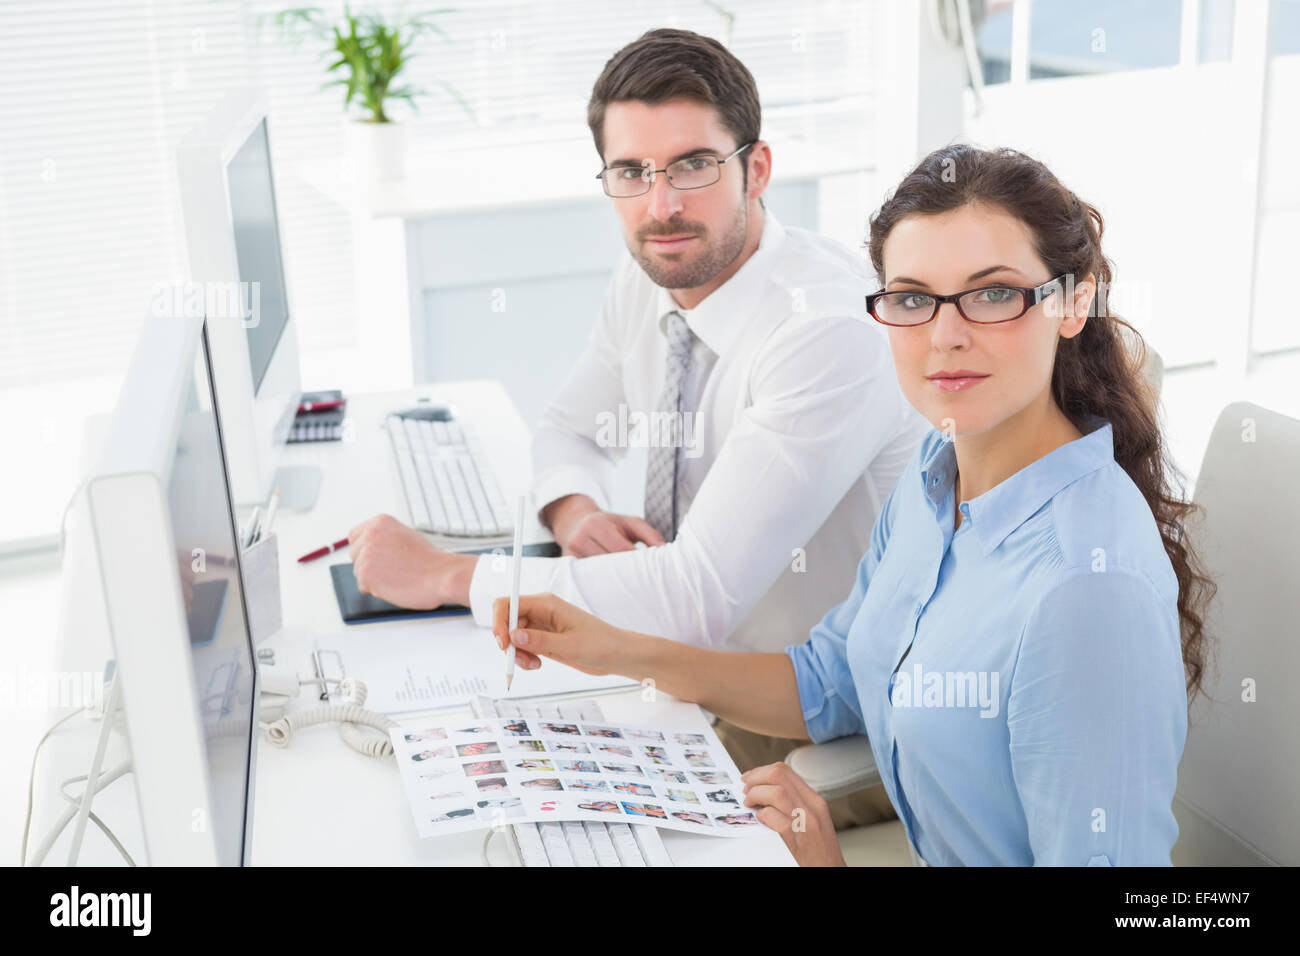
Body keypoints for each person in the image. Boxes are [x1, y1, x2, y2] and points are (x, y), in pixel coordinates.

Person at [487, 145, 1215, 866]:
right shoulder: (938, 475)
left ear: (1072, 302)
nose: (946, 336)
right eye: (912, 299)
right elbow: (828, 682)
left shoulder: (1085, 592)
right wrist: (608, 646)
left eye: (994, 293)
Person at [346, 28, 925, 828]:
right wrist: (576, 513)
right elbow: (565, 432)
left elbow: (694, 596)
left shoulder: (823, 329)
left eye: (693, 165)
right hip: (686, 673)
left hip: (809, 721)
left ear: (756, 169)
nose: (662, 205)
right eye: (632, 173)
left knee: (515, 814)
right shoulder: (654, 268)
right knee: (428, 774)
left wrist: (451, 579)